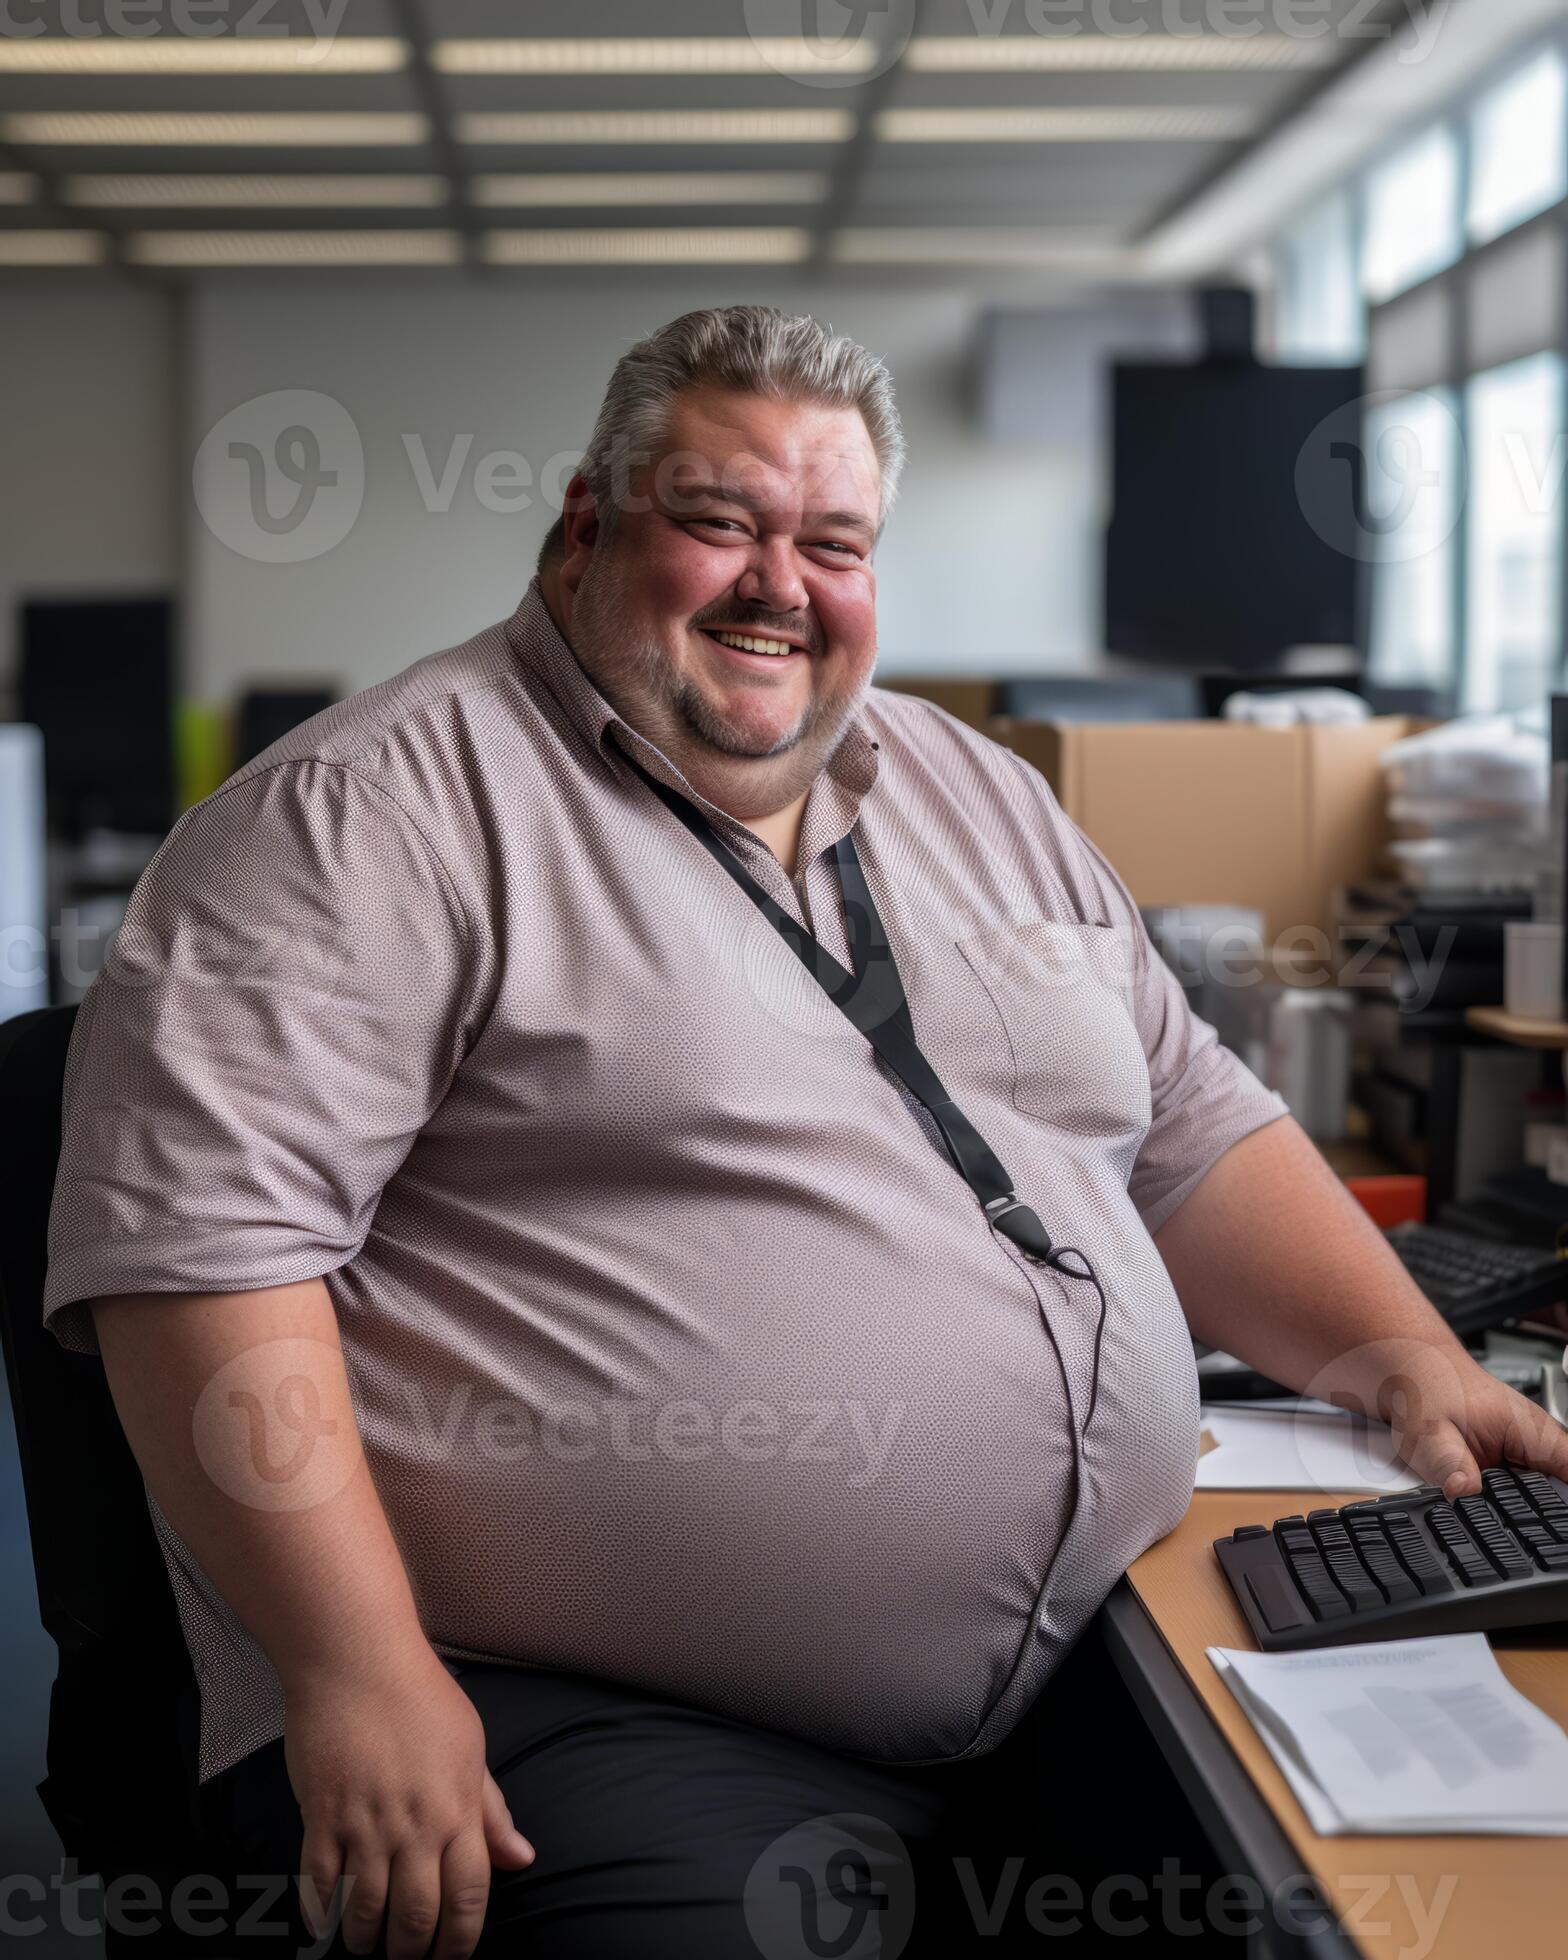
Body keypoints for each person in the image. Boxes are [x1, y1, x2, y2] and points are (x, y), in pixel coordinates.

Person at [44, 305, 1568, 1958]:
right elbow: (202, 1268)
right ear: (583, 524)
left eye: (832, 541)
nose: (783, 583)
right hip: (559, 1705)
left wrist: (1401, 1353)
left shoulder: (978, 794)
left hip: (1076, 1652)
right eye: (718, 523)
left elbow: (1191, 1126)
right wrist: (363, 1677)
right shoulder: (365, 822)